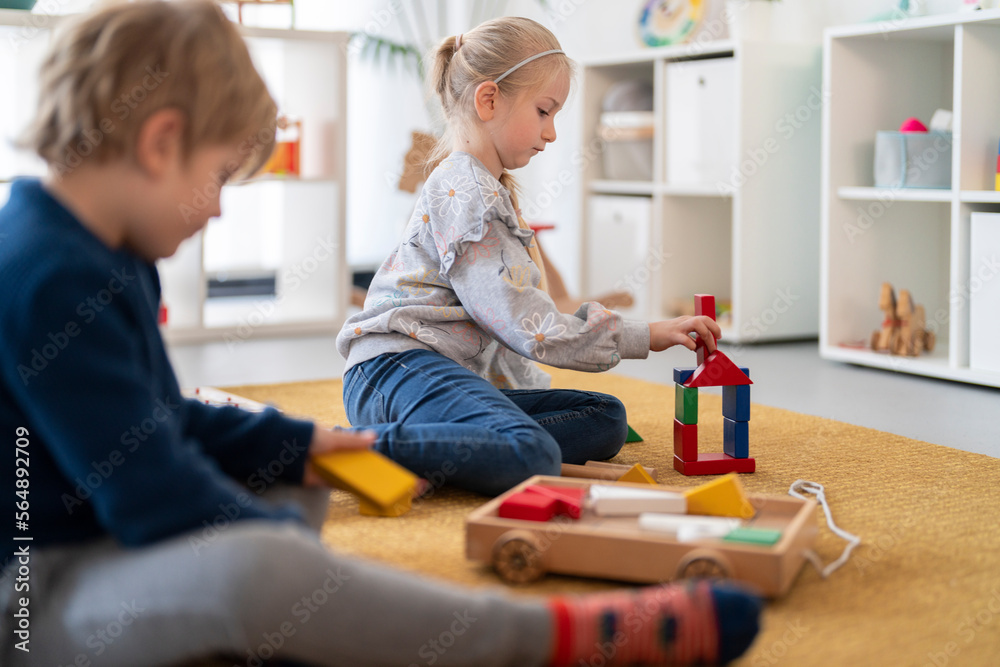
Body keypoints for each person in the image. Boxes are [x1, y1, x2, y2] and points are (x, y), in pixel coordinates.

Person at [0, 3, 761, 666]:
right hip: (31, 602)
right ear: (162, 143)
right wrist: (285, 552)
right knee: (265, 564)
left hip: (89, 537)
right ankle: (553, 637)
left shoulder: (106, 255)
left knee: (300, 496)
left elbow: (155, 428)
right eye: (220, 181)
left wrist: (300, 447)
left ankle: (311, 628)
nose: (217, 215)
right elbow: (151, 495)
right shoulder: (48, 275)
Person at [337, 17, 721, 496]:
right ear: (489, 99)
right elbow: (525, 324)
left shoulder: (485, 186)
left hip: (429, 376)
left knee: (604, 419)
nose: (552, 132)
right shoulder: (468, 193)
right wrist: (645, 335)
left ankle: (438, 449)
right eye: (544, 111)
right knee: (531, 452)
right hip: (398, 370)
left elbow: (509, 341)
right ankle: (350, 447)